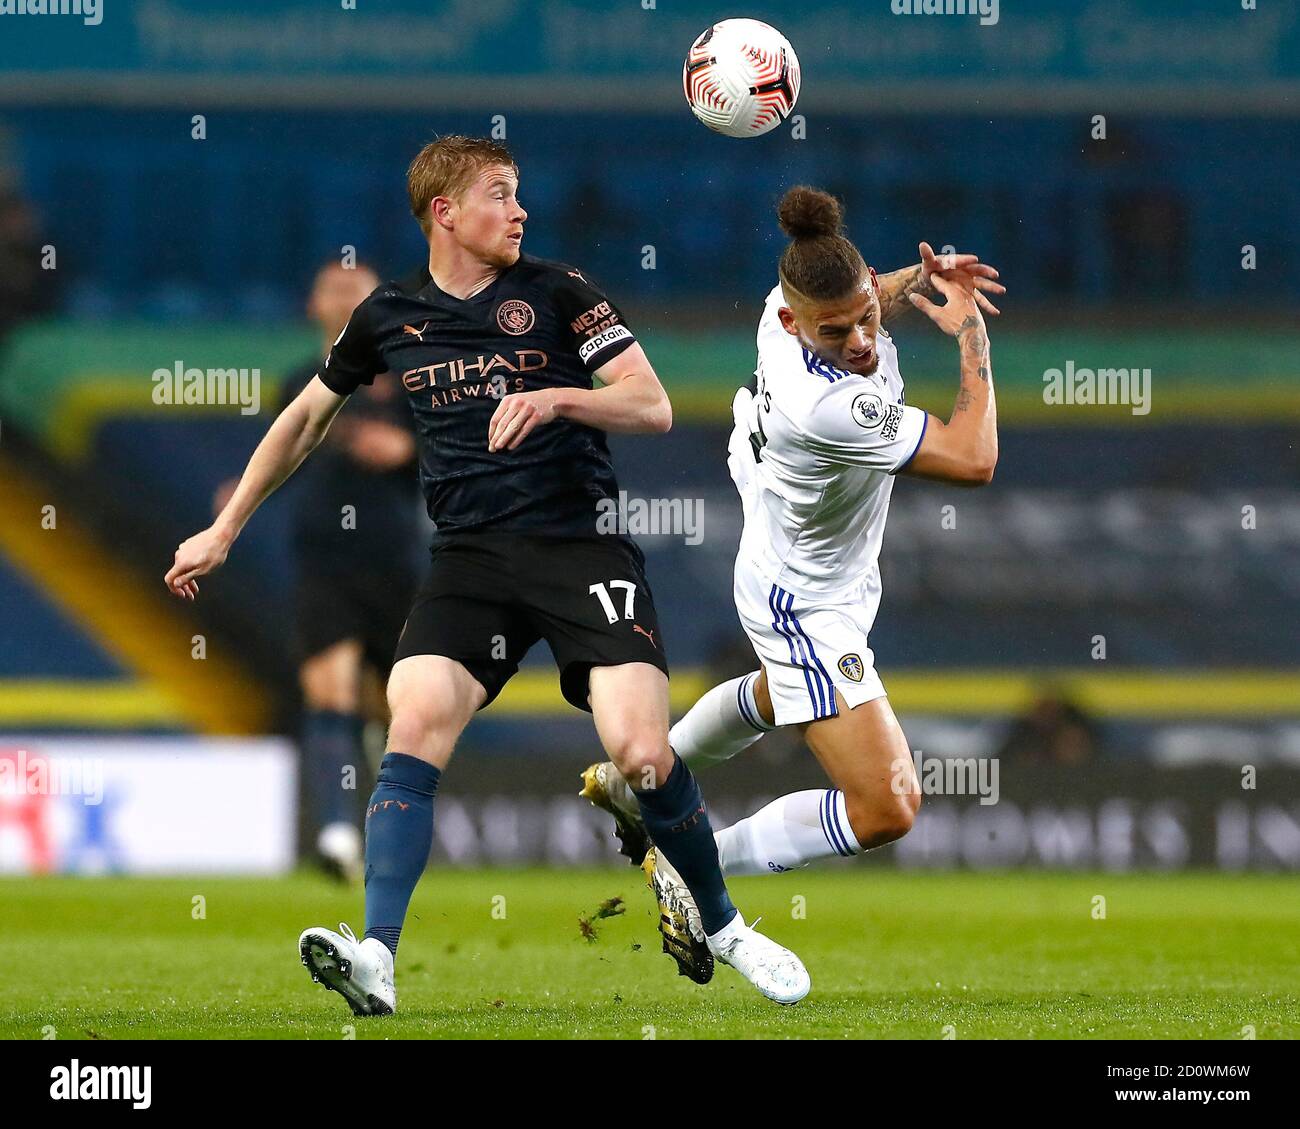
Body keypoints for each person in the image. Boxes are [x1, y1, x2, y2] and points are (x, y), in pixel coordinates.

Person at [165, 136, 810, 1013]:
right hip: (469, 560)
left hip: (579, 548)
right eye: (501, 195)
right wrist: (225, 525)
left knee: (643, 755)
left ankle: (726, 925)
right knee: (414, 717)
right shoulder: (388, 316)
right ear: (446, 212)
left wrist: (556, 397)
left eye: (518, 196)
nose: (520, 210)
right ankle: (377, 957)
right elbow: (307, 417)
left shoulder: (558, 291)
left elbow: (650, 404)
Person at [582, 185, 1001, 897]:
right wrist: (971, 335)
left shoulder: (784, 316)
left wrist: (921, 279)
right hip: (804, 599)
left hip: (802, 558)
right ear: (793, 322)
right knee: (887, 806)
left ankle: (634, 783)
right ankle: (693, 866)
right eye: (837, 334)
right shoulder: (828, 406)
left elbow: (869, 290)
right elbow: (973, 458)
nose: (862, 342)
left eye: (867, 320)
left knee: (783, 693)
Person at [213, 261, 420, 882]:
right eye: (332, 287)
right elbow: (288, 451)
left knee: (399, 713)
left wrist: (410, 451)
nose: (344, 297)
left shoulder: (414, 381)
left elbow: (450, 455)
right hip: (323, 560)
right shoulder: (300, 383)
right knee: (328, 690)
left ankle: (389, 830)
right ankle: (334, 832)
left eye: (356, 288)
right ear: (313, 305)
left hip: (396, 563)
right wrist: (242, 497)